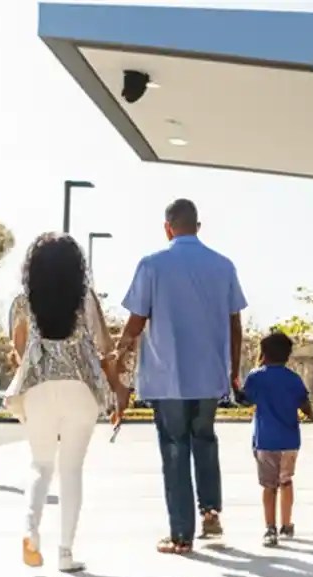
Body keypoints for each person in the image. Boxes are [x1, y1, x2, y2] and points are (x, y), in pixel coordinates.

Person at [116, 199, 247, 554]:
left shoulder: (152, 265)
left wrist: (119, 357)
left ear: (167, 227)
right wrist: (234, 372)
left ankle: (180, 535)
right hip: (209, 378)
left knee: (175, 448)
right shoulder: (223, 266)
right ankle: (210, 513)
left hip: (167, 377)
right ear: (198, 227)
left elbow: (136, 321)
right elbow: (236, 325)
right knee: (204, 439)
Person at [4, 232, 127, 572]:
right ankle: (65, 553)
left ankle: (30, 531)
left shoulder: (23, 302)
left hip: (38, 389)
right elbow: (104, 347)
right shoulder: (85, 299)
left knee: (40, 466)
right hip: (81, 390)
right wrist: (118, 386)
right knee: (71, 469)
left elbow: (19, 350)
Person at [241, 332, 313, 547]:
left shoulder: (256, 377)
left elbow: (246, 400)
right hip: (290, 440)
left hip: (266, 440)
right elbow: (304, 402)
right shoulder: (293, 378)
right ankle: (287, 524)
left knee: (269, 486)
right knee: (286, 481)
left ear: (263, 353)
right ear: (288, 355)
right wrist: (310, 414)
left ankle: (270, 528)